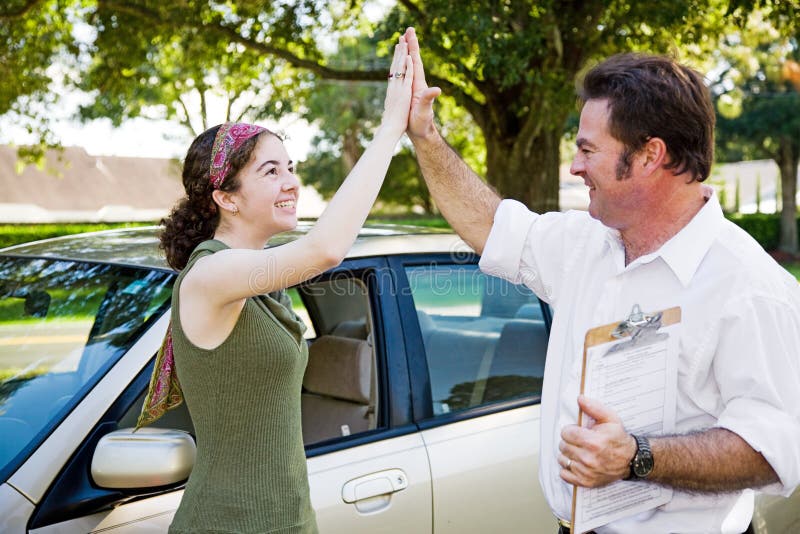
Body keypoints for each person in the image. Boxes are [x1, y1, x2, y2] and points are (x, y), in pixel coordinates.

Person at [402, 27, 800, 533]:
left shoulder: (750, 287)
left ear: (650, 155)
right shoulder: (584, 243)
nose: (574, 166)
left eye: (588, 151)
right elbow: (490, 223)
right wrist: (425, 135)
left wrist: (639, 455)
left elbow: (773, 450)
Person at [135, 37, 414, 533]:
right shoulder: (211, 275)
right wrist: (391, 126)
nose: (291, 183)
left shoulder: (261, 279)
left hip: (287, 520)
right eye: (270, 171)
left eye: (291, 168)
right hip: (227, 524)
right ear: (227, 197)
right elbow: (324, 249)